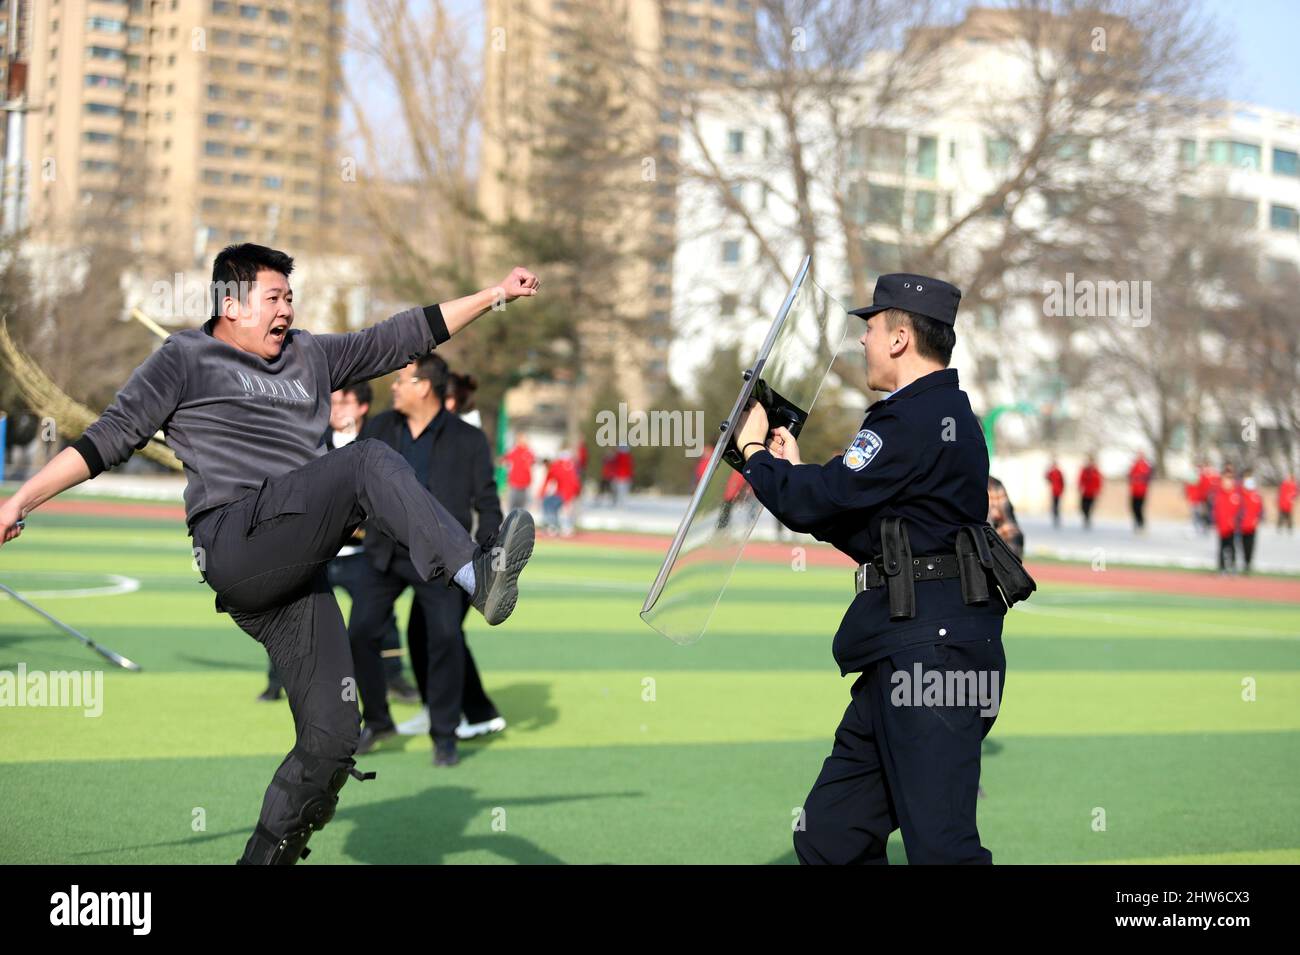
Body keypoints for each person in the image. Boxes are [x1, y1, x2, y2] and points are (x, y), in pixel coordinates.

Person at [0, 244, 542, 864]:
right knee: (365, 461)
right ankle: (478, 574)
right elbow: (107, 440)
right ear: (230, 304)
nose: (286, 309)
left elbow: (400, 336)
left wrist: (495, 293)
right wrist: (20, 502)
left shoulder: (310, 355)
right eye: (274, 297)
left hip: (294, 571)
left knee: (334, 739)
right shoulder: (185, 358)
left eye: (291, 297)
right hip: (235, 542)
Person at [737, 272, 1010, 864]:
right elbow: (875, 534)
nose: (861, 341)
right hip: (913, 651)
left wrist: (756, 453)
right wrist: (795, 472)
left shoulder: (912, 418)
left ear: (899, 338)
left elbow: (818, 501)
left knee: (943, 852)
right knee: (832, 838)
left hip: (931, 661)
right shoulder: (939, 413)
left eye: (871, 327)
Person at [347, 354, 506, 767]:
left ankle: (444, 734)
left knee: (446, 639)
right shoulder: (379, 427)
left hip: (443, 560)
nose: (394, 387)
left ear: (424, 386)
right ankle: (378, 721)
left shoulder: (469, 440)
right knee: (361, 632)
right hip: (384, 553)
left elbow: (487, 504)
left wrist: (489, 558)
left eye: (402, 380)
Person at [258, 382, 417, 704]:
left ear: (362, 407)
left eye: (344, 401)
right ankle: (278, 680)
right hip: (319, 555)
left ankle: (393, 676)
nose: (336, 407)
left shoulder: (377, 446)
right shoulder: (310, 445)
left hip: (362, 554)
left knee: (381, 619)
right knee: (292, 614)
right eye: (332, 401)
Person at [541, 450, 581, 536]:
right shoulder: (572, 467)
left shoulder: (558, 466)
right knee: (565, 511)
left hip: (562, 494)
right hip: (569, 494)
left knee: (548, 505)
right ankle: (566, 528)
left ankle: (553, 526)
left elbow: (550, 477)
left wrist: (542, 491)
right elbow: (576, 483)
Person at [1214, 470, 1242, 574]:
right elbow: (1215, 511)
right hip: (1222, 527)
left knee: (1233, 547)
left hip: (1233, 528)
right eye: (1226, 479)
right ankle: (1222, 568)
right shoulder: (1219, 494)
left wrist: (1236, 521)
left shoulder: (1236, 494)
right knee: (1222, 547)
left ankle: (1233, 566)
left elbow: (1241, 510)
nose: (1227, 482)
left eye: (1230, 479)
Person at [988, 476, 1023, 557]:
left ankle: (1013, 567)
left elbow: (1008, 518)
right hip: (973, 532)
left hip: (993, 531)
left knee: (1014, 535)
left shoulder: (995, 485)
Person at [502, 436, 535, 511]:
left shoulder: (529, 452)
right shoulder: (513, 451)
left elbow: (532, 464)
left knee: (523, 507)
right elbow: (505, 461)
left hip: (525, 484)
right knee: (512, 506)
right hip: (514, 483)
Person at [1239, 472, 1264, 575]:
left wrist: (1258, 519)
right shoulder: (1240, 495)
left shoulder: (1256, 495)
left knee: (1251, 545)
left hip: (1252, 526)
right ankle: (1243, 563)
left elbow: (1261, 510)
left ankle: (1248, 564)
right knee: (1242, 545)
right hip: (1242, 526)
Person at [1128, 452, 1152, 533]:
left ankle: (1141, 523)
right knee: (1133, 508)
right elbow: (1130, 476)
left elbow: (1148, 477)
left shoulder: (1146, 466)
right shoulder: (1134, 465)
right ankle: (1137, 521)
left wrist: (1139, 478)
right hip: (1134, 491)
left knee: (1139, 508)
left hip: (1142, 491)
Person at [1078, 456, 1102, 530]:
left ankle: (1088, 518)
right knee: (1083, 507)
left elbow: (1099, 481)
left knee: (1090, 507)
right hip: (1085, 492)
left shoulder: (1096, 471)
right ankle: (1086, 517)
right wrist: (1080, 487)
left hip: (1092, 492)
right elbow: (1080, 479)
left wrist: (1098, 490)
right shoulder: (1084, 470)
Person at [1045, 460, 1064, 529]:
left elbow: (1063, 482)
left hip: (1058, 491)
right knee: (1054, 505)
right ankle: (1055, 516)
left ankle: (1057, 516)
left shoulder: (1059, 472)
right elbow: (1046, 477)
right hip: (1053, 491)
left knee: (1057, 504)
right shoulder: (1051, 472)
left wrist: (1062, 490)